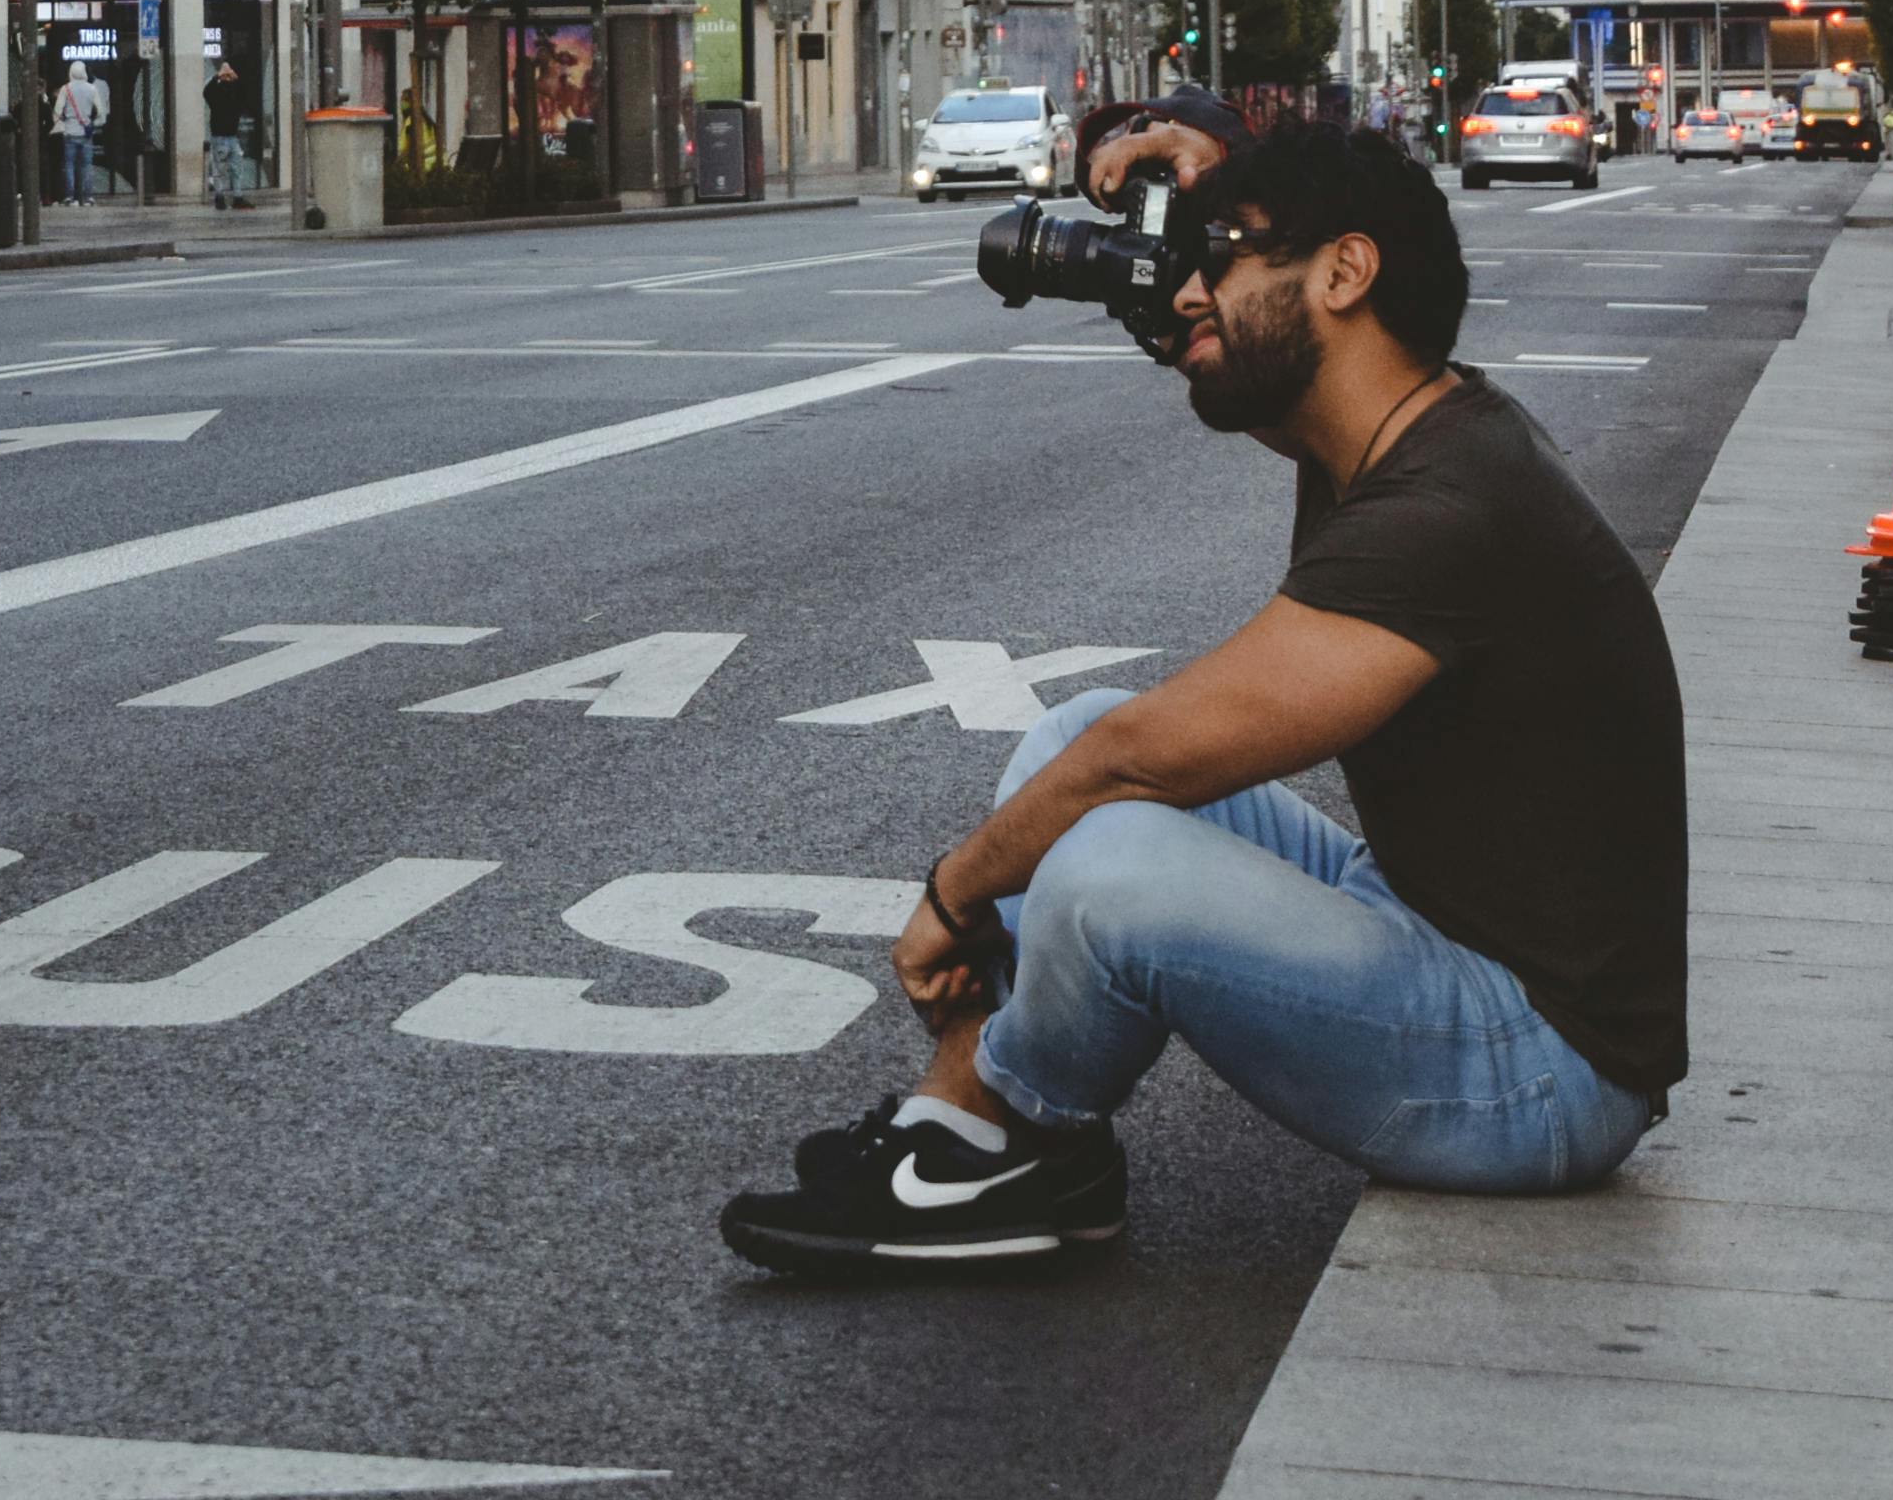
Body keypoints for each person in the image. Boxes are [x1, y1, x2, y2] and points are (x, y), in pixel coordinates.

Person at [719, 105, 1687, 1280]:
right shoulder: (1393, 437)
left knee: (1106, 844)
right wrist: (1219, 165)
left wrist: (954, 891)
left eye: (1220, 257)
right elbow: (1315, 240)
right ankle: (974, 1134)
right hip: (1430, 922)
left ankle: (1013, 1138)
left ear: (1345, 270)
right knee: (1068, 738)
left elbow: (1150, 759)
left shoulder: (1449, 506)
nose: (1186, 295)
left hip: (1540, 1069)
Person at [51, 56, 97, 208]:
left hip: (70, 132)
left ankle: (70, 197)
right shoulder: (92, 88)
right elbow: (101, 111)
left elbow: (57, 111)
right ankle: (88, 197)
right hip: (85, 133)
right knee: (87, 165)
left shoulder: (66, 89)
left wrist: (65, 120)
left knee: (69, 165)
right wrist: (93, 122)